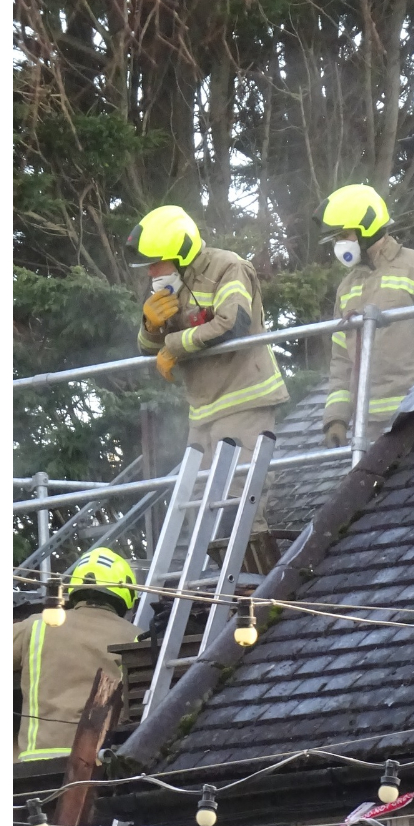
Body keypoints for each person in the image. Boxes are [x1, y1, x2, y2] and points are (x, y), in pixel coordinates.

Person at [131, 204, 287, 567]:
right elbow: (147, 347)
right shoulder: (172, 285)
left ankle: (258, 591)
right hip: (202, 412)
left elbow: (233, 323)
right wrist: (150, 326)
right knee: (200, 506)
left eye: (157, 263)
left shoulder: (227, 267)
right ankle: (224, 590)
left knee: (239, 500)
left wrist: (173, 345)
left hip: (243, 401)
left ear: (181, 254)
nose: (152, 272)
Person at [318, 184, 414, 450]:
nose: (339, 245)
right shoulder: (346, 288)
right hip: (367, 429)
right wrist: (336, 419)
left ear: (366, 229)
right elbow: (340, 363)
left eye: (343, 235)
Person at [11, 547, 143, 765]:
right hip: (97, 763)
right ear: (125, 592)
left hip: (34, 763)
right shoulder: (136, 637)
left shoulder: (35, 626)